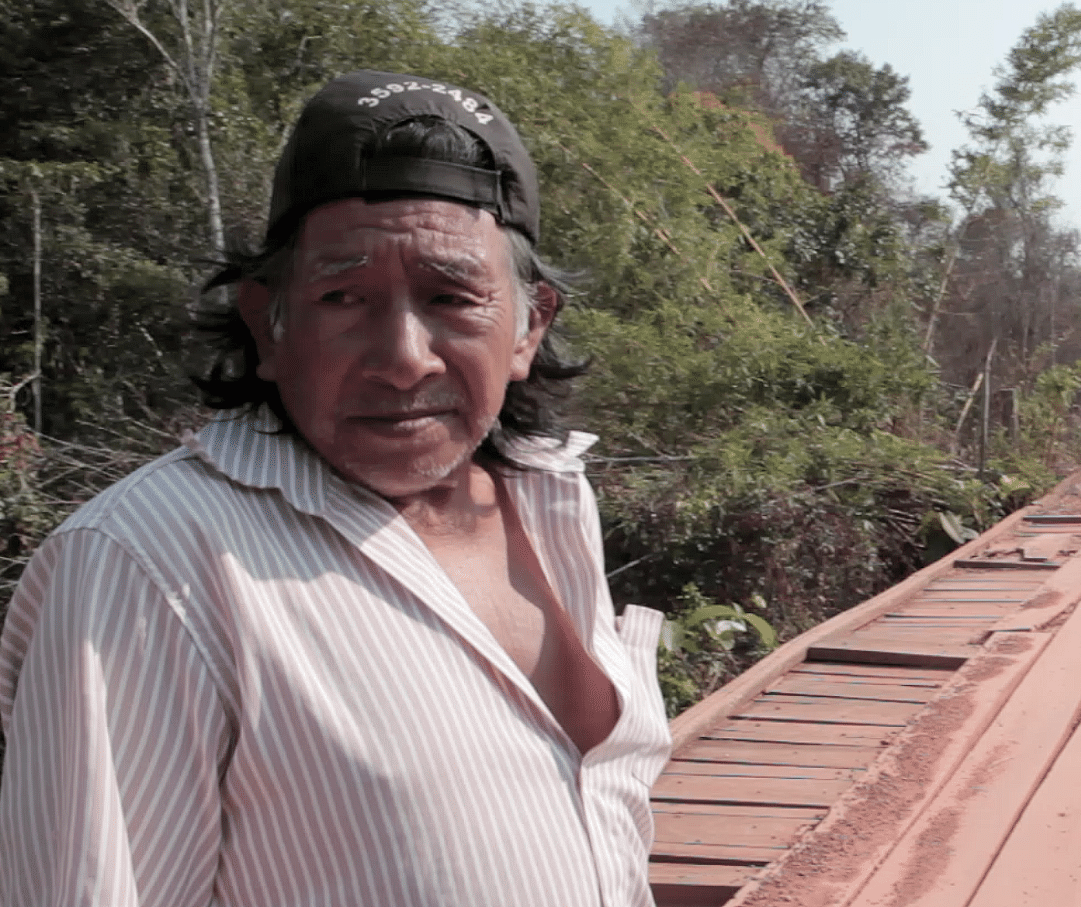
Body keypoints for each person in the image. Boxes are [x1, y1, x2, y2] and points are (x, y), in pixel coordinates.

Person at [0, 71, 674, 904]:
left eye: (451, 295)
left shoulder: (548, 496)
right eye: (342, 295)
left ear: (530, 325)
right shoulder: (146, 565)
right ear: (268, 324)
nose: (404, 357)